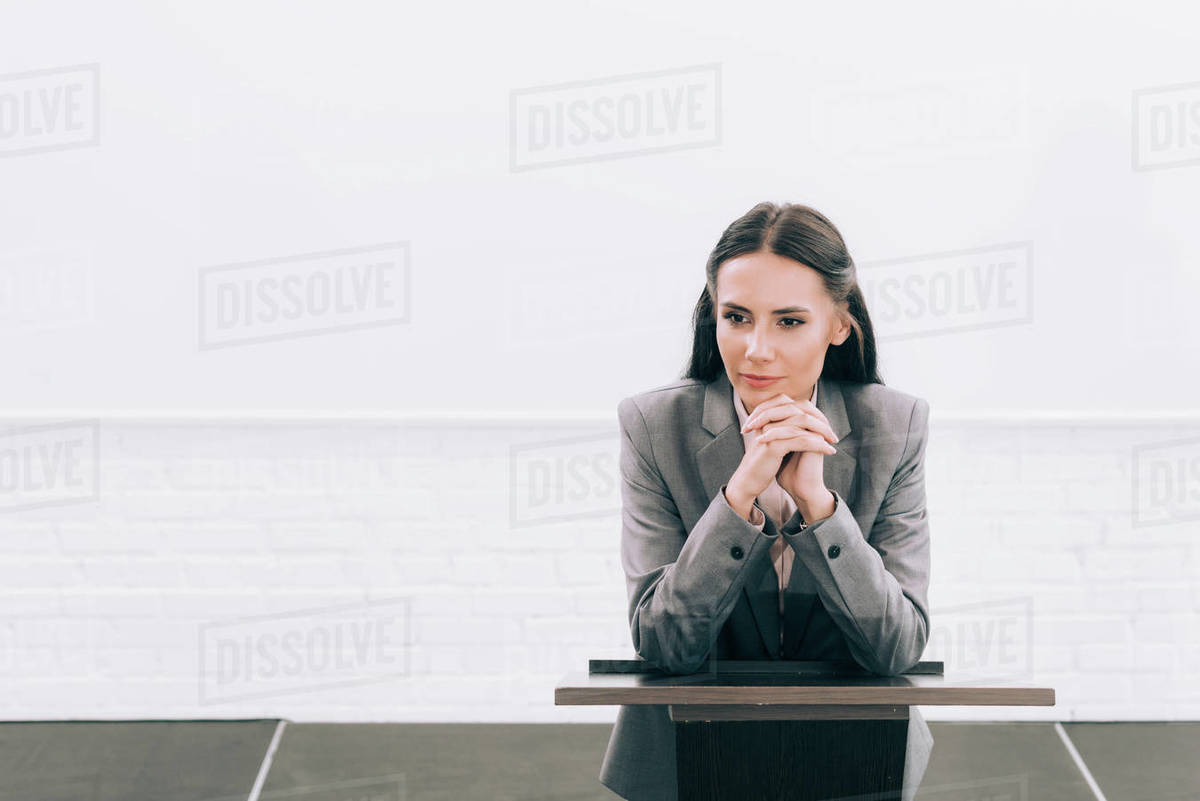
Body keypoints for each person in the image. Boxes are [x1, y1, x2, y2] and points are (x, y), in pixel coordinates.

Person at [598, 202, 934, 801]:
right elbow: (664, 644)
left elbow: (896, 647)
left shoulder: (895, 425)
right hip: (689, 761)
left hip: (857, 760)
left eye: (789, 321)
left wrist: (819, 508)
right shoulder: (653, 424)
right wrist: (738, 498)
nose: (755, 348)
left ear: (839, 325)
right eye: (737, 317)